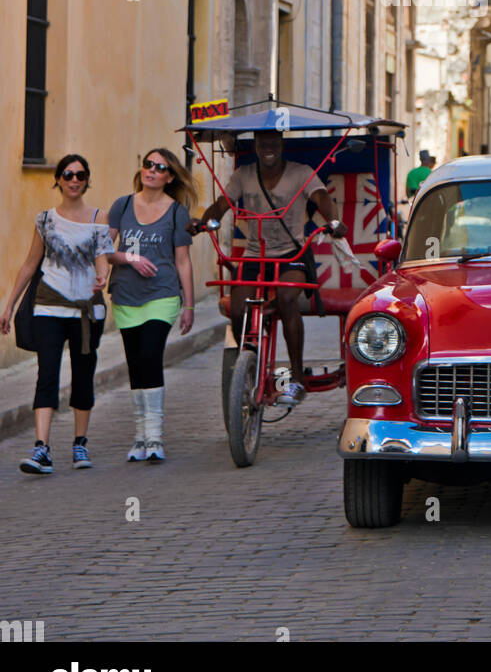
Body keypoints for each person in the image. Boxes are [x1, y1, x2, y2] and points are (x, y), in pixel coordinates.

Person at [190, 129, 347, 405]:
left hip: (292, 254)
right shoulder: (243, 175)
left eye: (274, 142)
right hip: (254, 255)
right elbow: (221, 205)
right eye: (263, 143)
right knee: (237, 309)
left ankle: (296, 378)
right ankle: (250, 361)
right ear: (256, 147)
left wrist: (333, 222)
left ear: (281, 145)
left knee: (288, 299)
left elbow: (322, 198)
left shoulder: (301, 172)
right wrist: (201, 222)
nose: (268, 148)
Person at [1, 154, 113, 475]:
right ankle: (41, 449)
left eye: (80, 175)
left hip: (85, 312)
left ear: (87, 180)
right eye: (68, 174)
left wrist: (102, 275)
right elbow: (29, 264)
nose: (74, 180)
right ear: (59, 180)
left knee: (83, 374)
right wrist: (9, 305)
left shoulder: (98, 217)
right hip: (48, 307)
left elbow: (103, 255)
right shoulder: (45, 219)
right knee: (46, 374)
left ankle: (80, 443)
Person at [102, 148, 196, 463]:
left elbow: (183, 262)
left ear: (169, 177)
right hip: (126, 296)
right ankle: (139, 438)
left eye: (160, 167)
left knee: (150, 355)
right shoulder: (122, 205)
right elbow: (104, 249)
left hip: (163, 294)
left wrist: (189, 305)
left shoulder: (176, 212)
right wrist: (129, 257)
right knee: (135, 363)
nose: (151, 170)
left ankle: (154, 436)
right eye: (148, 164)